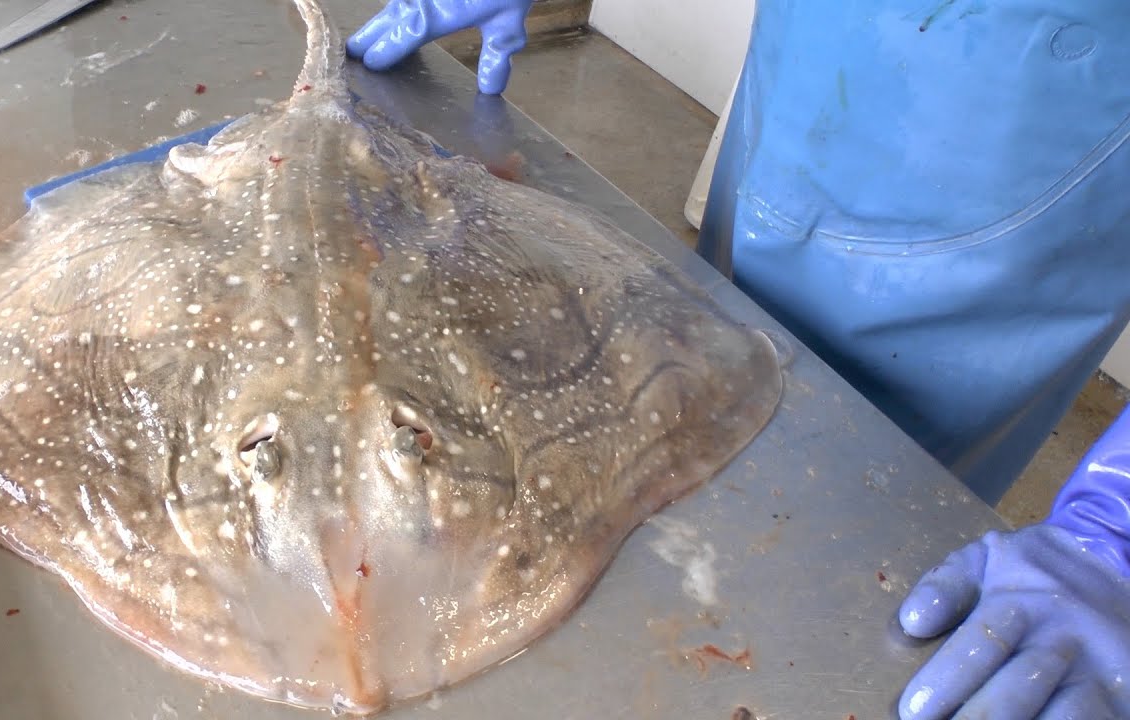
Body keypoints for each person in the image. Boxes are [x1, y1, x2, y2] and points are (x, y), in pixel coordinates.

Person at [344, 1, 1130, 717]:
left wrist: (1114, 528)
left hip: (1040, 126)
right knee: (710, 331)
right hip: (819, 57)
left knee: (844, 539)